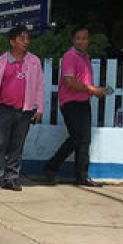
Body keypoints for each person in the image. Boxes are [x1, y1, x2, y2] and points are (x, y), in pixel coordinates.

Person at [0, 25, 45, 192]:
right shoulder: (0, 62)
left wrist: (39, 108)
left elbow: (39, 85)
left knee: (17, 145)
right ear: (12, 42)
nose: (26, 42)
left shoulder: (34, 61)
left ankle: (12, 177)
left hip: (25, 110)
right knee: (0, 142)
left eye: (27, 38)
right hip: (4, 109)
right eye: (21, 38)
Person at [43, 26, 106, 187]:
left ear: (88, 40)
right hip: (71, 102)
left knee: (84, 140)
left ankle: (81, 176)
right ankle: (51, 167)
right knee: (78, 138)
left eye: (84, 38)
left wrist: (92, 91)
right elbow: (69, 81)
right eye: (78, 38)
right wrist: (92, 89)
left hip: (83, 101)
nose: (81, 41)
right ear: (73, 40)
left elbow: (82, 80)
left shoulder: (85, 57)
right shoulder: (70, 56)